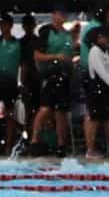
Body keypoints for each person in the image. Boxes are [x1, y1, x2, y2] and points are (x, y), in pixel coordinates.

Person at [31, 8, 79, 155]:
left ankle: (61, 145)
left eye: (65, 14)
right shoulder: (46, 32)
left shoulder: (67, 35)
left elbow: (72, 51)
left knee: (61, 113)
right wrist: (56, 57)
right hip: (50, 76)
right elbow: (37, 56)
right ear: (54, 15)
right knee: (45, 109)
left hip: (64, 77)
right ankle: (34, 141)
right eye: (60, 14)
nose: (63, 16)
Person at [81, 18, 109, 158]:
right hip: (97, 88)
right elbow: (102, 73)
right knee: (94, 119)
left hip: (105, 89)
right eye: (105, 38)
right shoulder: (94, 51)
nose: (108, 40)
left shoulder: (104, 52)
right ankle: (90, 150)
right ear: (98, 38)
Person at [0, 13, 25, 153]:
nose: (3, 27)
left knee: (9, 114)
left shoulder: (18, 43)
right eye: (1, 24)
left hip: (10, 81)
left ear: (11, 26)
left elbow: (23, 64)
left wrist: (22, 82)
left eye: (6, 24)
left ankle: (8, 145)